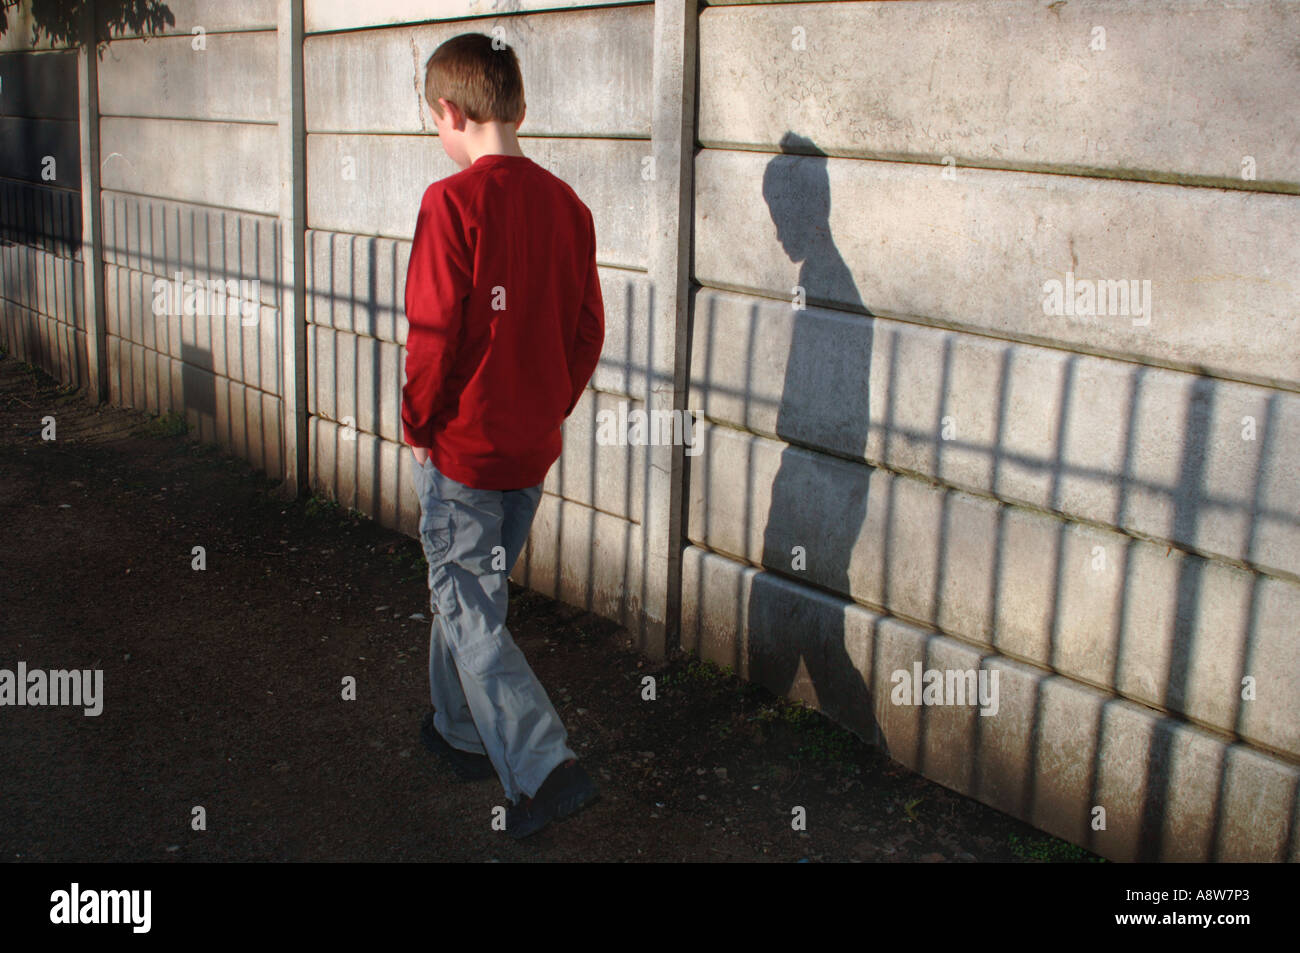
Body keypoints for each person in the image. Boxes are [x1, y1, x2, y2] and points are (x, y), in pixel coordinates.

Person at [401, 32, 605, 840]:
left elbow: (433, 334)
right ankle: (458, 732)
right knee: (466, 592)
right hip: (528, 450)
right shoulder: (569, 207)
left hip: (464, 451)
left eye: (434, 121)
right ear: (520, 108)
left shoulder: (450, 204)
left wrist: (418, 422)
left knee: (469, 605)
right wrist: (547, 403)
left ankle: (544, 764)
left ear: (449, 113)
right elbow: (588, 329)